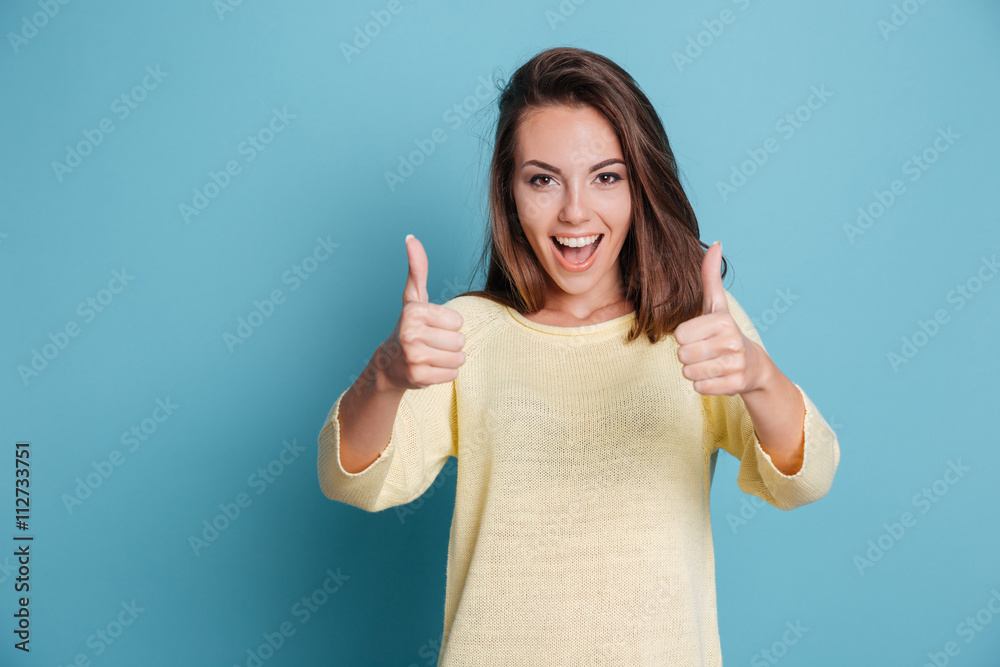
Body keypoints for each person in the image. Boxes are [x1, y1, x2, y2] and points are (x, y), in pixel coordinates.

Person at [318, 46, 840, 666]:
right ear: (509, 193)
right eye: (543, 179)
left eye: (606, 176)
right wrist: (385, 375)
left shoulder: (699, 331)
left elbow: (807, 479)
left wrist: (758, 377)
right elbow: (352, 480)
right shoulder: (466, 333)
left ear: (640, 185)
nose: (574, 211)